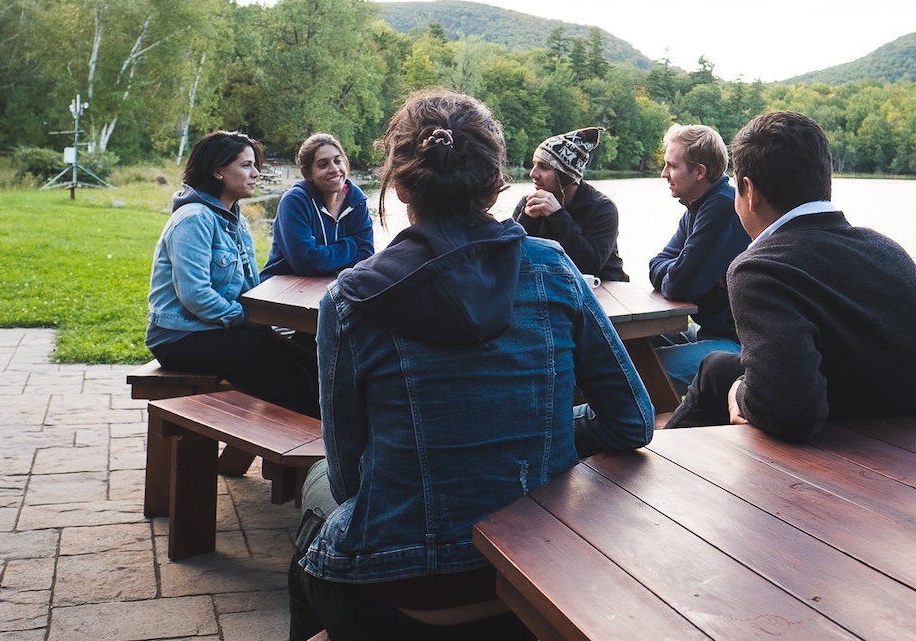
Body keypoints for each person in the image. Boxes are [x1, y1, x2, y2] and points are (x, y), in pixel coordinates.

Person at [290, 90, 654, 641]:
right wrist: (544, 425)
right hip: (532, 573)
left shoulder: (349, 301)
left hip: (398, 590)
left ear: (402, 186)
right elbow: (632, 422)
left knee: (316, 495)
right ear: (496, 185)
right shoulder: (555, 270)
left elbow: (347, 477)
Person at [666, 112, 916, 441]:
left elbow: (788, 413)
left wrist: (738, 393)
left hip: (852, 462)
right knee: (715, 368)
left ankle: (653, 478)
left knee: (728, 383)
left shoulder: (759, 269)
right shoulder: (887, 250)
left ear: (749, 191)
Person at [146, 131, 319, 416]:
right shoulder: (194, 220)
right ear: (217, 171)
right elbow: (195, 295)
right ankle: (301, 455)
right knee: (291, 380)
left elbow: (248, 287)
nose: (256, 173)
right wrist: (246, 318)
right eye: (246, 165)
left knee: (312, 366)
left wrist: (260, 319)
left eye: (255, 165)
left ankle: (326, 448)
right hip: (179, 336)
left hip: (218, 328)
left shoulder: (234, 220)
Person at [648, 123, 750, 392]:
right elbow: (656, 264)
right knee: (635, 343)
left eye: (672, 166)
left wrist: (678, 271)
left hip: (739, 345)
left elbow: (679, 284)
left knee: (638, 370)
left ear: (699, 172)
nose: (664, 173)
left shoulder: (723, 206)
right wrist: (679, 268)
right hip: (711, 332)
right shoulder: (696, 208)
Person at [509, 126, 629, 284]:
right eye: (534, 165)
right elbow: (508, 259)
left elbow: (589, 266)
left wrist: (557, 216)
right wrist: (527, 219)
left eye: (544, 167)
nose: (533, 174)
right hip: (552, 289)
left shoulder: (603, 209)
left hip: (604, 291)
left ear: (565, 175)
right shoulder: (528, 204)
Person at [261, 132, 374, 278]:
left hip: (330, 286)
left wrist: (323, 257)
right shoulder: (295, 201)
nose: (334, 169)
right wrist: (351, 245)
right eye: (323, 164)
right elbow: (306, 261)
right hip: (281, 289)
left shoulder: (356, 200)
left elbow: (366, 256)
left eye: (338, 161)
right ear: (308, 174)